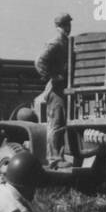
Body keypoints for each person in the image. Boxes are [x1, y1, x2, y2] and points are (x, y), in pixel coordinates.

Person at [35, 12, 71, 168]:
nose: (67, 28)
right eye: (65, 25)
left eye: (68, 24)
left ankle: (59, 157)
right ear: (59, 27)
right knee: (56, 124)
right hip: (56, 90)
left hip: (63, 88)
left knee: (61, 123)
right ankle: (54, 159)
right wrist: (53, 76)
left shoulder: (66, 42)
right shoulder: (56, 43)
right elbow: (39, 62)